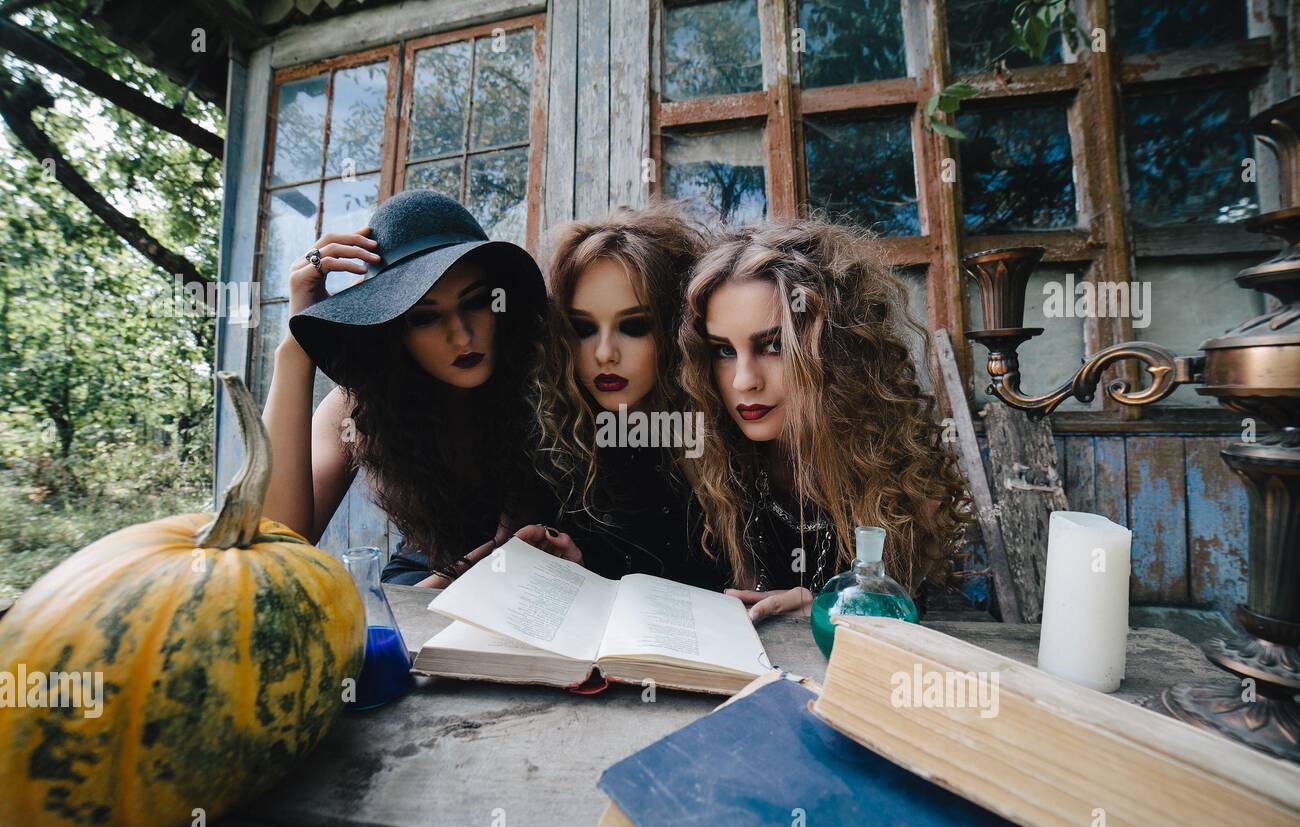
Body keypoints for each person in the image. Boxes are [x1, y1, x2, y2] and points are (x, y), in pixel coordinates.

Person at [262, 189, 579, 588]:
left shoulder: (547, 378)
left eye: (475, 302)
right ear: (394, 329)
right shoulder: (358, 408)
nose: (461, 336)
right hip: (427, 583)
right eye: (425, 317)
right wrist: (296, 344)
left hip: (542, 586)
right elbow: (275, 547)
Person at [678, 217, 971, 621]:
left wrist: (825, 610)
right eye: (724, 351)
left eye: (774, 346)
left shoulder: (905, 479)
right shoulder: (712, 464)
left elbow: (898, 615)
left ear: (837, 351)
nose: (744, 381)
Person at [530, 204, 726, 588]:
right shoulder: (553, 437)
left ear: (676, 330)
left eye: (634, 326)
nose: (605, 354)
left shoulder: (724, 433)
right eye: (583, 328)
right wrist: (577, 565)